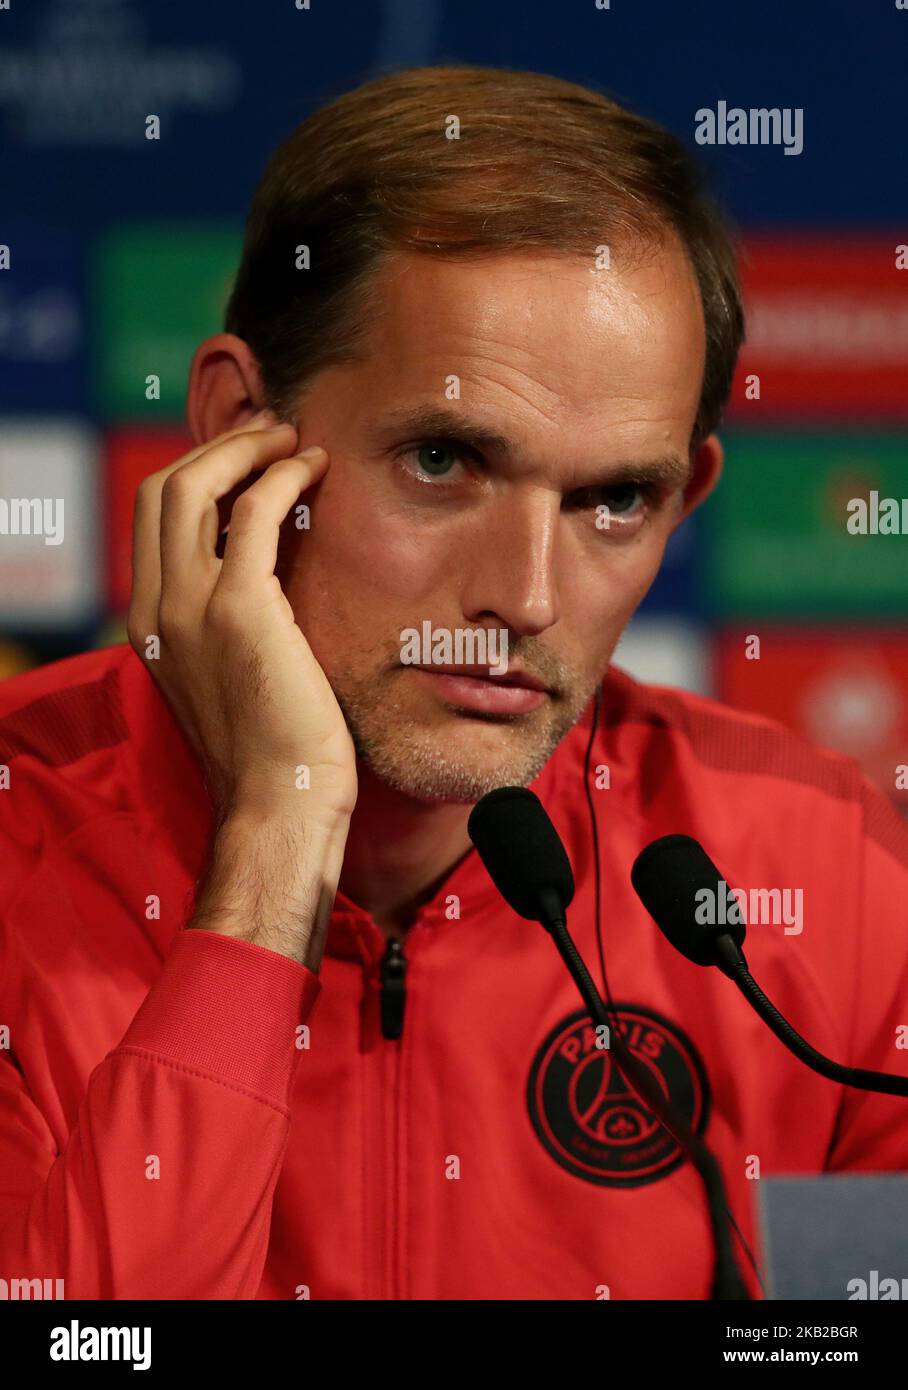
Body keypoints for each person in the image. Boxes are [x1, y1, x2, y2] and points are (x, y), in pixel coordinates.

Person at [0, 65, 905, 1301]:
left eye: (612, 500)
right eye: (443, 460)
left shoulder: (821, 880)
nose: (525, 598)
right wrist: (272, 845)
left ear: (684, 499)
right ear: (232, 431)